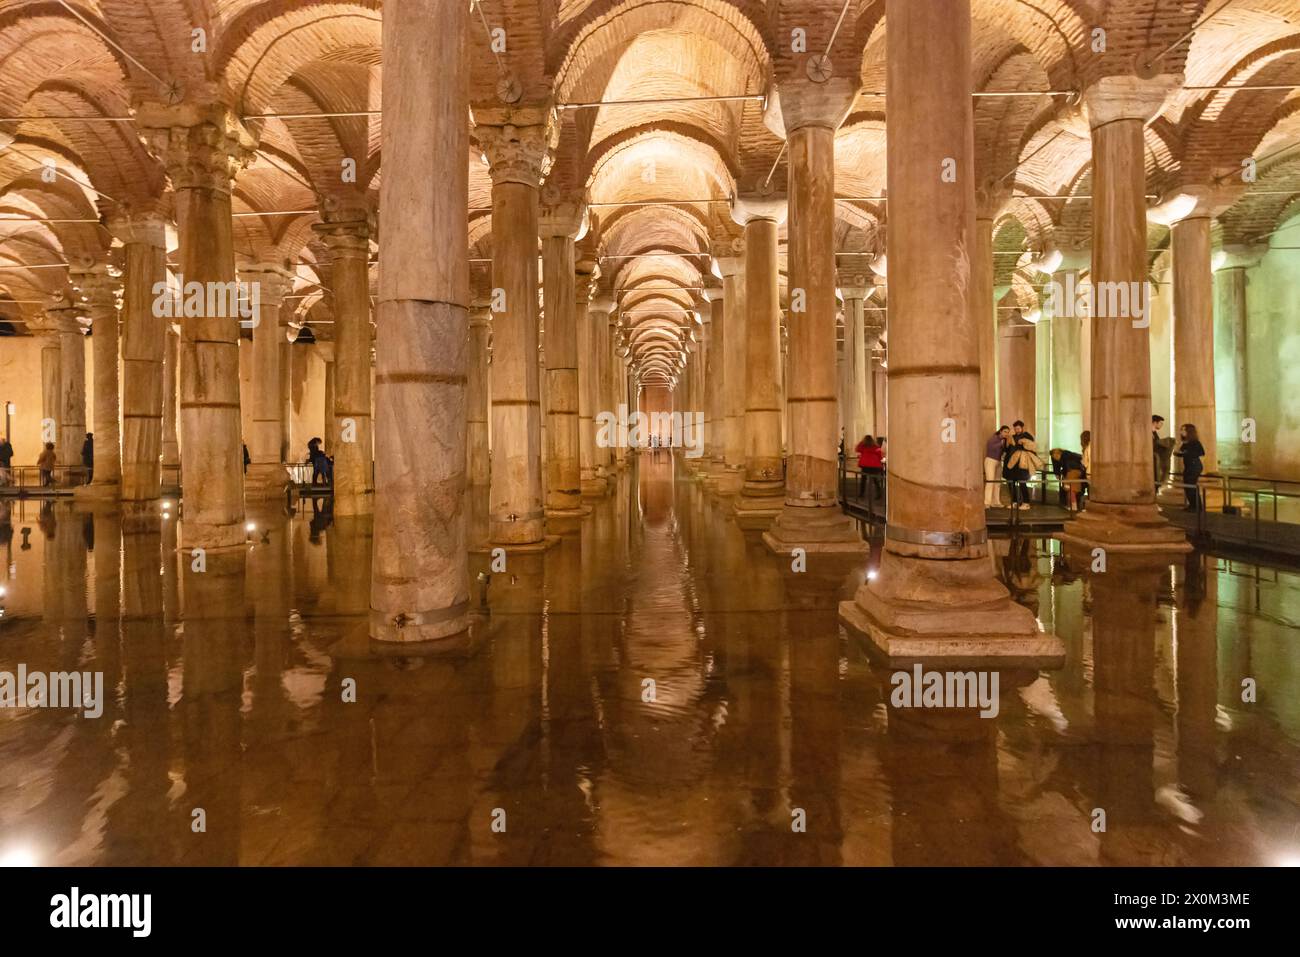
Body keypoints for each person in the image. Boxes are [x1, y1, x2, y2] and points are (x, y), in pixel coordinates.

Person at [1003, 420, 1042, 510]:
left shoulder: (1027, 436)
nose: (1017, 430)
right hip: (1011, 464)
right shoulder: (1012, 437)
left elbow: (1031, 447)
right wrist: (1007, 444)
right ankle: (1014, 501)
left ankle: (1026, 502)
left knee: (1022, 483)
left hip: (1022, 464)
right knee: (1011, 483)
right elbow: (1007, 449)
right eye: (1015, 428)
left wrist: (1022, 443)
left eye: (1018, 428)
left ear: (1022, 428)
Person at [1173, 423, 1205, 511]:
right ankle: (1193, 505)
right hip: (1188, 466)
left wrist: (1187, 453)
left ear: (1189, 431)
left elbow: (1201, 453)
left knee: (1191, 486)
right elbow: (1178, 453)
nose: (1181, 431)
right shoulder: (1185, 443)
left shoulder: (1195, 442)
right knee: (1188, 486)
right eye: (1181, 429)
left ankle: (1196, 506)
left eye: (1184, 430)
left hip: (1194, 466)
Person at [1050, 447, 1086, 511]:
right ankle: (1073, 505)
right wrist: (1057, 473)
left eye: (1057, 455)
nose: (1056, 457)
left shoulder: (1066, 455)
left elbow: (1063, 466)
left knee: (1069, 489)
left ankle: (1073, 506)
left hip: (1072, 473)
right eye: (1054, 456)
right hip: (1076, 473)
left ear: (1060, 453)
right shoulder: (1067, 455)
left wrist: (1059, 474)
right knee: (1072, 489)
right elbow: (1056, 466)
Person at [984, 426, 1010, 507]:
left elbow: (1004, 451)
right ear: (1000, 431)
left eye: (1008, 432)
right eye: (1005, 431)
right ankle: (987, 502)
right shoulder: (994, 438)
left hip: (998, 462)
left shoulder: (1004, 440)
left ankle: (996, 502)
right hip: (990, 461)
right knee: (990, 481)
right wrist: (1000, 444)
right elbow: (990, 447)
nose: (1006, 434)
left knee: (997, 482)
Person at [855, 434, 884, 503]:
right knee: (875, 480)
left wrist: (861, 442)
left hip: (865, 465)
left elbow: (857, 449)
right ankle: (879, 494)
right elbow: (880, 456)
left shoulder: (863, 447)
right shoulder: (876, 447)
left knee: (863, 480)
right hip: (874, 465)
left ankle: (862, 493)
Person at [1152, 414, 1167, 486]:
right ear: (1155, 423)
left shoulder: (1154, 433)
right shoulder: (1150, 433)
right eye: (1160, 423)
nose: (1162, 425)